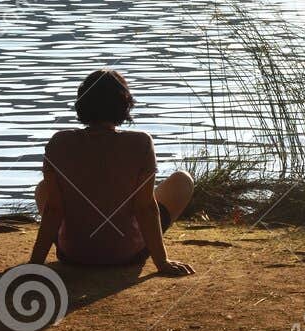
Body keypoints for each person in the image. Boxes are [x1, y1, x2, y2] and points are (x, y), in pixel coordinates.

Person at [29, 69, 195, 275]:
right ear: (124, 104)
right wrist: (162, 263)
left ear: (82, 104)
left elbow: (54, 210)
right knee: (182, 180)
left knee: (44, 188)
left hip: (74, 254)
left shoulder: (58, 142)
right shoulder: (141, 142)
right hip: (126, 254)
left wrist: (35, 264)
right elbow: (146, 209)